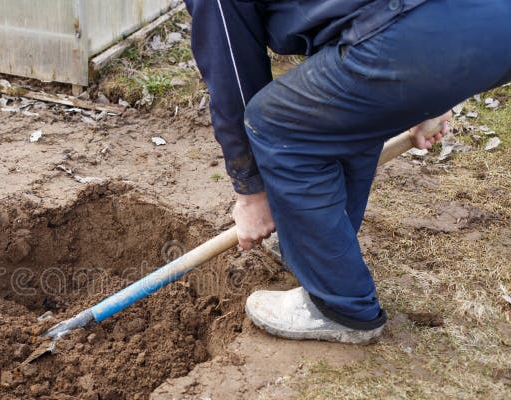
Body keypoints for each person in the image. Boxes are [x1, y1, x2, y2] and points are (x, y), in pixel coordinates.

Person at [185, 0, 511, 343]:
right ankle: (312, 243)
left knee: (275, 123)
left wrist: (251, 193)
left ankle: (339, 305)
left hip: (419, 32)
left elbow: (233, 74)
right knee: (329, 106)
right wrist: (425, 96)